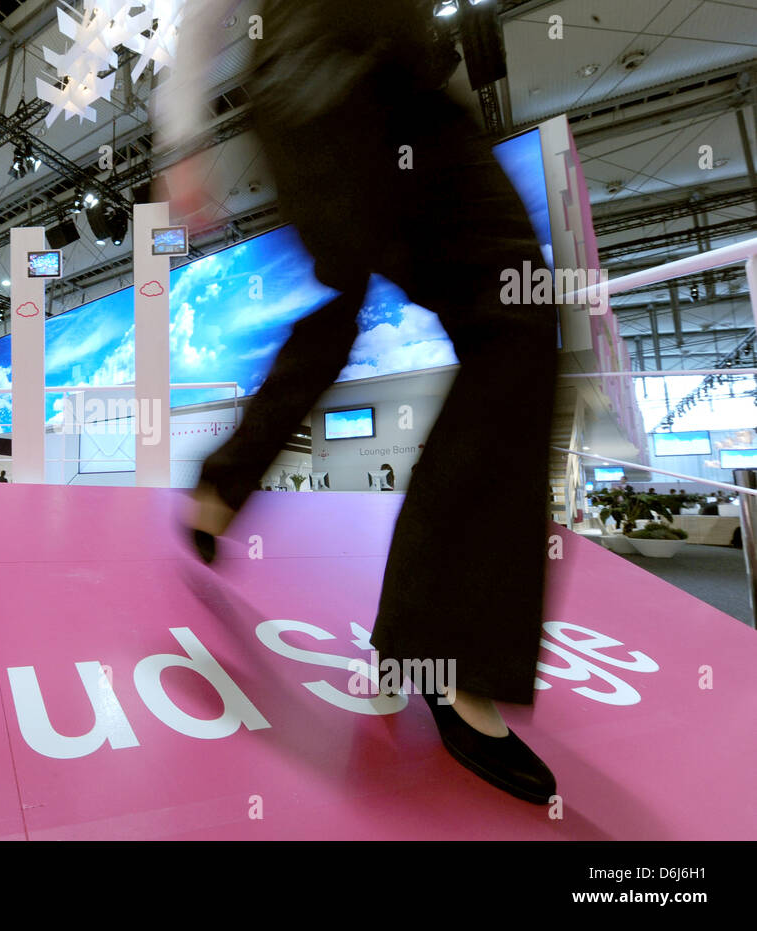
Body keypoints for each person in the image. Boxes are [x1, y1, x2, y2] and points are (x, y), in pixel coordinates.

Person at [169, 0, 557, 804]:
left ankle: (416, 633)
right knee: (359, 297)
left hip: (404, 58)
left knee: (512, 309)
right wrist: (181, 135)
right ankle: (436, 651)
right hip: (313, 74)